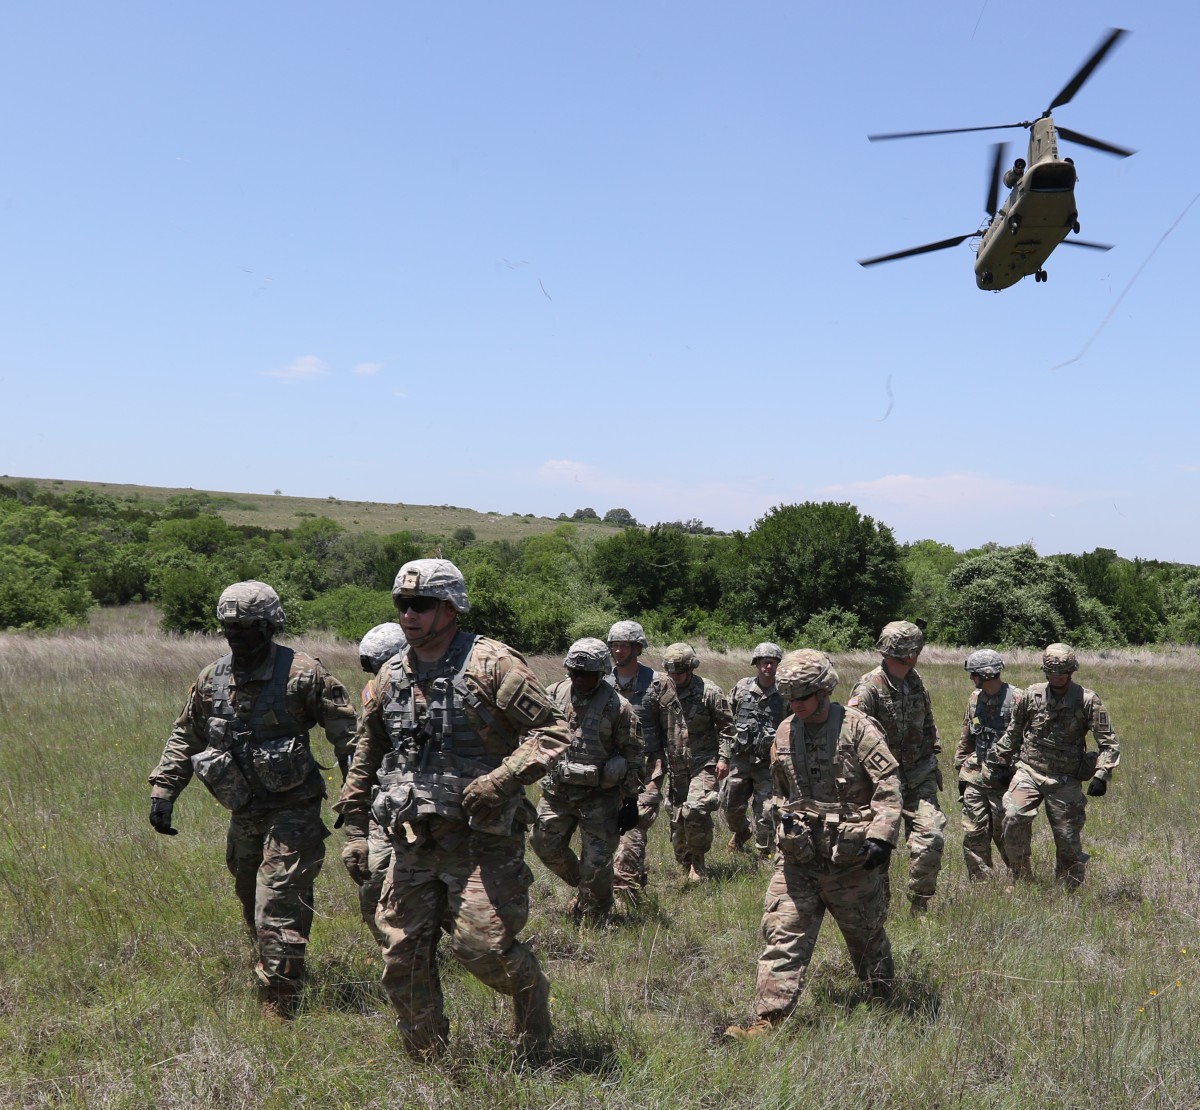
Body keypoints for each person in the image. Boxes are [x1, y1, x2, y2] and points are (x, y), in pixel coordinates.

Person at [334, 559, 571, 1062]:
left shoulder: (491, 663)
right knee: (402, 956)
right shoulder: (390, 675)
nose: (408, 615)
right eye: (402, 604)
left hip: (482, 840)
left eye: (420, 605)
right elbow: (366, 753)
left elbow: (553, 732)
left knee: (481, 949)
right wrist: (355, 830)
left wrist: (501, 779)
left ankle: (531, 1002)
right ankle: (428, 1061)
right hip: (413, 840)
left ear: (450, 607)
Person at [147, 580, 358, 1019]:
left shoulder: (303, 674)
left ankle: (281, 1001)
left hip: (294, 810)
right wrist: (164, 790)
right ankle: (276, 967)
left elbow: (350, 738)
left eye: (246, 627)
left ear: (268, 626)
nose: (236, 636)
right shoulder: (212, 679)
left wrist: (355, 796)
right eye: (229, 628)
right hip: (243, 811)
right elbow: (186, 734)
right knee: (250, 896)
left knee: (277, 900)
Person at [726, 649, 901, 1039]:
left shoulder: (858, 729)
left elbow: (888, 789)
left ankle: (884, 1002)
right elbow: (780, 789)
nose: (795, 705)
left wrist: (881, 837)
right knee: (782, 932)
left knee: (866, 938)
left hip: (851, 859)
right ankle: (769, 1020)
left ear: (824, 691)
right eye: (789, 698)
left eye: (802, 697)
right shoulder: (785, 732)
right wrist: (783, 828)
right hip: (799, 857)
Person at [985, 643, 1120, 888]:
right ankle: (1022, 880)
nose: (1056, 678)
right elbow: (1013, 732)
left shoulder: (1087, 700)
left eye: (1061, 673)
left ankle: (1067, 889)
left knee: (1067, 838)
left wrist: (1102, 775)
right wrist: (1000, 761)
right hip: (1029, 771)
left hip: (1064, 778)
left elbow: (1108, 743)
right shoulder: (1031, 695)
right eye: (1051, 673)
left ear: (1072, 671)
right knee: (1013, 818)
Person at [532, 637, 645, 919]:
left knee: (597, 860)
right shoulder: (553, 694)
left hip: (599, 798)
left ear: (601, 673)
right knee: (543, 844)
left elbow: (632, 754)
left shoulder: (618, 707)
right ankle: (586, 886)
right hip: (557, 793)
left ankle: (597, 913)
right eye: (575, 672)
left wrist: (631, 801)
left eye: (587, 674)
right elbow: (534, 733)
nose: (580, 678)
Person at [848, 620, 945, 913]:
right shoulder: (868, 688)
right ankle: (880, 909)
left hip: (919, 775)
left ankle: (920, 905)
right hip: (880, 783)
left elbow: (928, 722)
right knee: (879, 847)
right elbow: (850, 737)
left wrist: (932, 754)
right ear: (911, 653)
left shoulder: (915, 681)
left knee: (931, 837)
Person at [606, 620, 689, 904]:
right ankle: (629, 877)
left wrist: (679, 778)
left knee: (634, 825)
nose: (618, 651)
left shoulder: (658, 683)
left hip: (647, 770)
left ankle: (624, 893)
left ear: (637, 648)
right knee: (607, 829)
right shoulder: (603, 681)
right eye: (615, 645)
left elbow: (675, 731)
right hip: (609, 770)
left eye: (624, 645)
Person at [347, 622, 409, 943]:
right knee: (373, 886)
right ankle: (396, 951)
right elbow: (365, 752)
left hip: (424, 804)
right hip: (384, 804)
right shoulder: (375, 693)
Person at [663, 642, 734, 883]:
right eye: (671, 672)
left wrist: (724, 758)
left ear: (691, 668)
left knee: (695, 809)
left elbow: (727, 728)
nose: (675, 677)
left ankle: (697, 861)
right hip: (675, 762)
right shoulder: (662, 691)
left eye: (680, 672)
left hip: (704, 760)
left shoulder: (709, 691)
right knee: (676, 816)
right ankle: (685, 862)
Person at [954, 649, 1024, 881]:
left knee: (1007, 835)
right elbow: (968, 734)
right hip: (976, 777)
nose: (971, 678)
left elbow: (1029, 741)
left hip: (1006, 781)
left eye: (973, 674)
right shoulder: (975, 698)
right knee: (973, 833)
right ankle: (981, 882)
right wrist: (960, 768)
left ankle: (1021, 879)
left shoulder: (1018, 699)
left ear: (985, 674)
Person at [720, 642, 787, 859]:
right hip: (740, 759)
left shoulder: (785, 693)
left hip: (769, 763)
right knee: (730, 806)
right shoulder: (742, 688)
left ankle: (764, 853)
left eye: (773, 662)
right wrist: (723, 756)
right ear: (757, 663)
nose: (769, 666)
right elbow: (726, 721)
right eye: (765, 662)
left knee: (767, 811)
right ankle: (742, 831)